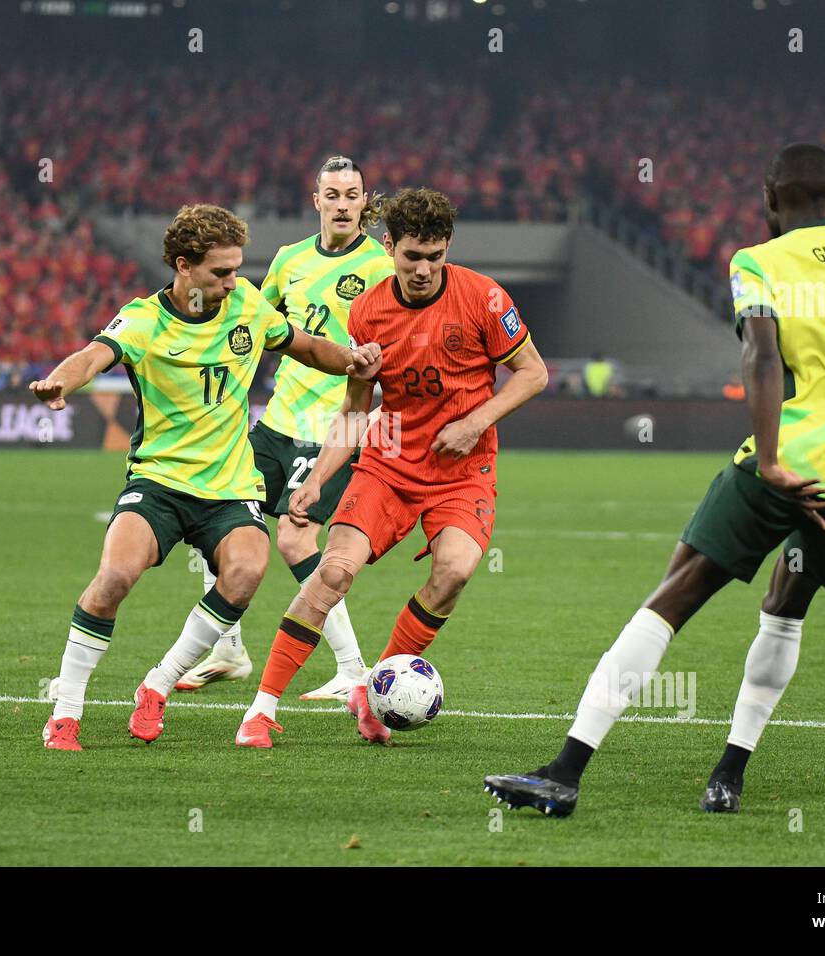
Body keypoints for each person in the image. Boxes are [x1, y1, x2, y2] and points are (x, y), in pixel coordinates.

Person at [484, 143, 825, 817]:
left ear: (770, 203)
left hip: (785, 462)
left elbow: (759, 352)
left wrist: (773, 459)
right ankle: (728, 775)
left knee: (676, 590)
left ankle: (566, 771)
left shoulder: (758, 260)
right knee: (785, 612)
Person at [31, 204, 381, 750]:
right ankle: (65, 711)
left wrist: (351, 359)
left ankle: (158, 684)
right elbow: (94, 355)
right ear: (183, 266)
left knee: (246, 571)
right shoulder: (145, 319)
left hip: (230, 486)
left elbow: (306, 347)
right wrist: (60, 381)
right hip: (159, 482)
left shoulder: (247, 305)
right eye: (221, 271)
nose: (233, 281)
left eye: (237, 268)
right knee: (116, 577)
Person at [233, 186, 549, 748]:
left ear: (447, 248)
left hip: (462, 471)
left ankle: (373, 688)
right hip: (389, 466)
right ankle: (261, 709)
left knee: (454, 571)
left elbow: (532, 373)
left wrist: (476, 422)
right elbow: (355, 412)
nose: (424, 268)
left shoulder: (485, 298)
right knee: (332, 573)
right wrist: (316, 478)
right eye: (412, 256)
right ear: (390, 246)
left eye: (435, 256)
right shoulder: (369, 310)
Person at [175, 157, 394, 701]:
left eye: (353, 194)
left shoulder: (381, 265)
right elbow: (252, 314)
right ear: (315, 199)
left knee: (296, 537)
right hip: (275, 422)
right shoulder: (290, 259)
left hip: (331, 428)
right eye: (333, 193)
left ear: (365, 203)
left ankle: (352, 668)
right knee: (215, 515)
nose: (343, 203)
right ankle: (228, 649)